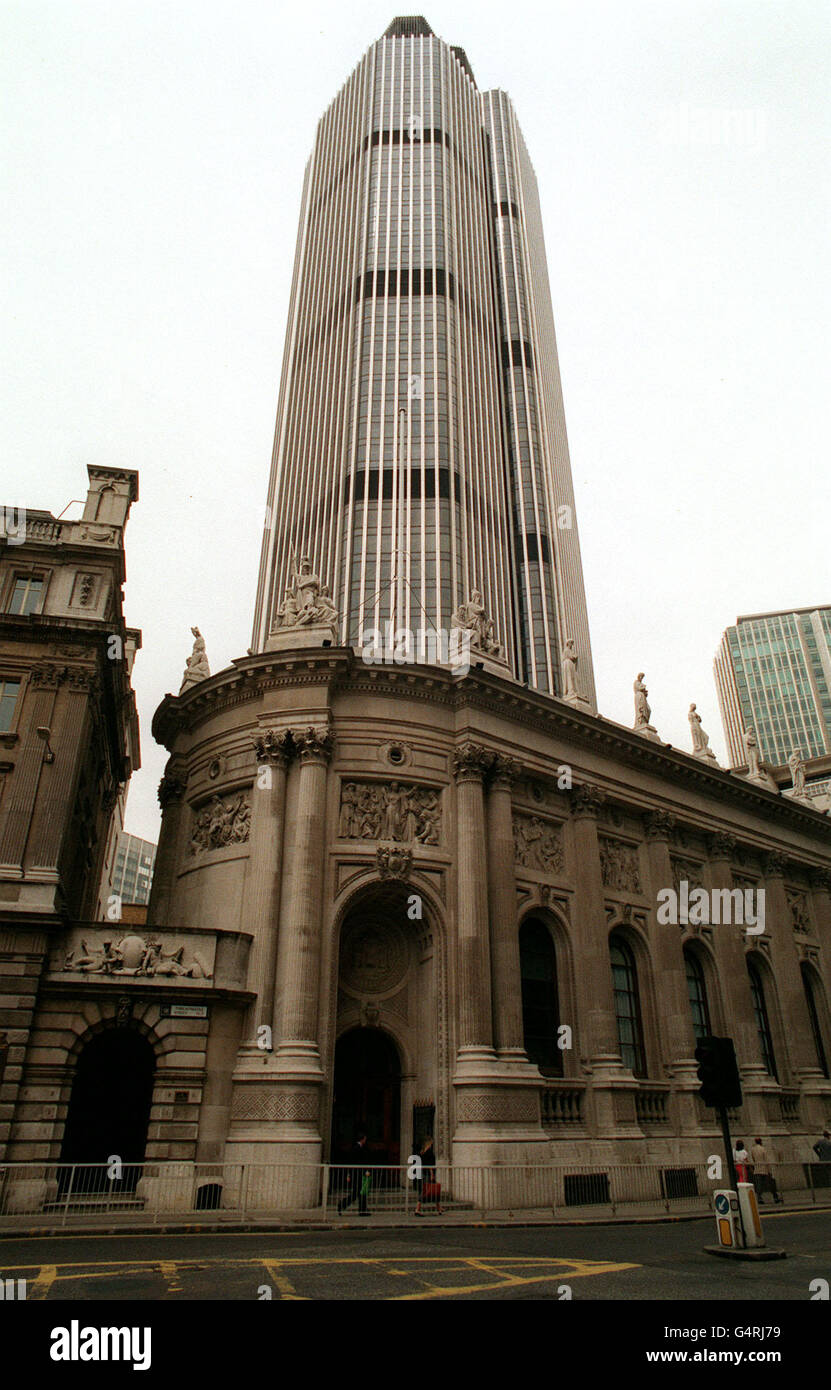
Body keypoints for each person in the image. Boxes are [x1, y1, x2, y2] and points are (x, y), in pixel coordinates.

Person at [338, 1132, 371, 1216]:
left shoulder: (358, 1147)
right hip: (357, 1174)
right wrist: (364, 1171)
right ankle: (342, 1205)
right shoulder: (356, 1148)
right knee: (358, 1192)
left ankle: (362, 1210)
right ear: (362, 1139)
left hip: (358, 1174)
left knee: (360, 1192)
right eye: (365, 1139)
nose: (365, 1141)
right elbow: (357, 1162)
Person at [414, 1136, 443, 1215]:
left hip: (421, 1172)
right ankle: (417, 1209)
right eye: (431, 1142)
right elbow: (430, 1164)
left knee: (432, 1190)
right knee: (427, 1191)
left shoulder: (421, 1151)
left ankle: (439, 1208)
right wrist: (432, 1174)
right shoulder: (429, 1152)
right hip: (427, 1173)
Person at [750, 1137, 782, 1204]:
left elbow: (753, 1158)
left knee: (759, 1185)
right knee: (770, 1183)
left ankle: (759, 1198)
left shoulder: (753, 1149)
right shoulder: (763, 1149)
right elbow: (766, 1159)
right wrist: (769, 1169)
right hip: (764, 1169)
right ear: (760, 1142)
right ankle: (775, 1197)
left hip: (757, 1168)